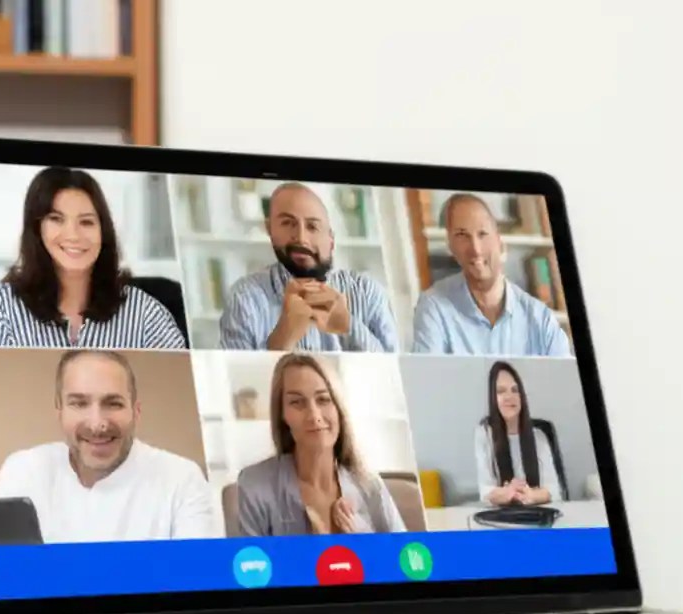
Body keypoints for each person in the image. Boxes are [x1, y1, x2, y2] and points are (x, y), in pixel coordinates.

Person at [0, 349, 215, 543]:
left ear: (136, 411)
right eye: (79, 403)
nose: (97, 424)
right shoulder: (21, 471)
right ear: (59, 411)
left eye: (113, 403)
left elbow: (199, 580)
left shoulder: (183, 479)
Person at [0, 166, 187, 349]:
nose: (74, 235)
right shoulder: (4, 304)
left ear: (103, 232)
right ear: (37, 229)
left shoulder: (144, 312)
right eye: (56, 219)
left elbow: (184, 386)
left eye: (86, 222)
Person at [237, 352, 408, 536]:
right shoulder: (254, 485)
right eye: (297, 402)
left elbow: (405, 559)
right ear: (282, 414)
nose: (314, 416)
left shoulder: (371, 486)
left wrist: (362, 538)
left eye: (323, 399)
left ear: (338, 409)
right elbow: (246, 562)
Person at [218, 182, 399, 352]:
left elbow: (395, 376)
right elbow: (234, 383)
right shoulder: (244, 297)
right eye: (288, 223)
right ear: (270, 229)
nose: (301, 238)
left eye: (312, 227)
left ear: (331, 240)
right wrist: (283, 336)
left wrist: (349, 326)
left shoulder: (368, 292)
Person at [412, 192, 571, 357]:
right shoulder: (434, 307)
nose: (476, 249)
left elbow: (565, 381)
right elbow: (427, 380)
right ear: (450, 247)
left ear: (500, 243)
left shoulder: (541, 319)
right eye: (462, 235)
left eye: (482, 234)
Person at [474, 360, 566, 506]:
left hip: (536, 514)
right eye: (501, 391)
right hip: (501, 517)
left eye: (515, 390)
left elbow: (555, 490)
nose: (509, 396)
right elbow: (485, 492)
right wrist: (507, 493)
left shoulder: (539, 436)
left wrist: (532, 495)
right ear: (493, 398)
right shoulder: (484, 434)